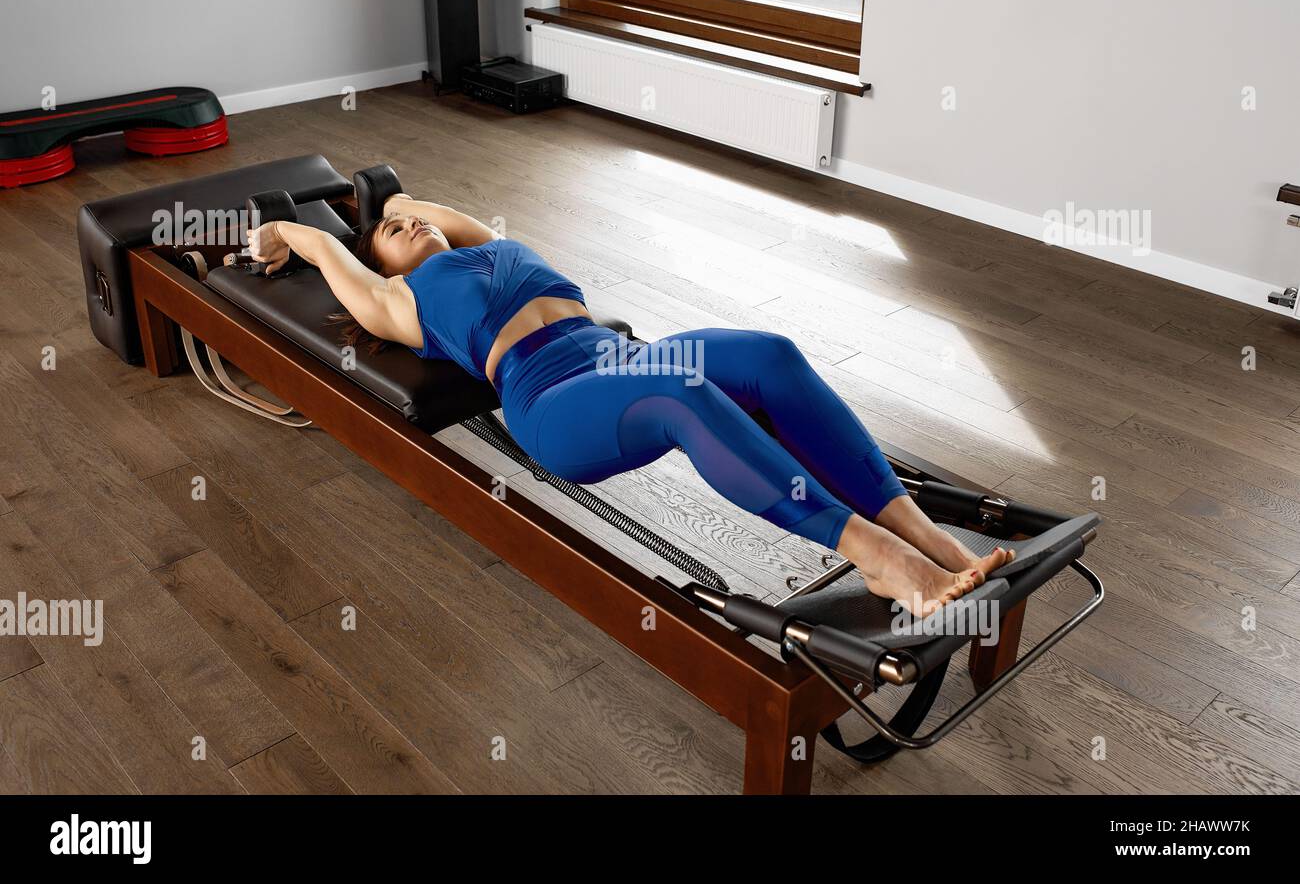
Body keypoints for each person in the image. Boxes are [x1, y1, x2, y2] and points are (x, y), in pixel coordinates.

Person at [248, 194, 1012, 616]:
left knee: (768, 354)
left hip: (620, 360)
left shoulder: (484, 244)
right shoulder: (399, 299)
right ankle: (876, 559)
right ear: (379, 260)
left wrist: (404, 203)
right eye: (389, 230)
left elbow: (426, 207)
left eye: (408, 218)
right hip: (552, 403)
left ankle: (919, 532)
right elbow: (325, 248)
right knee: (682, 390)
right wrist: (289, 230)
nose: (407, 224)